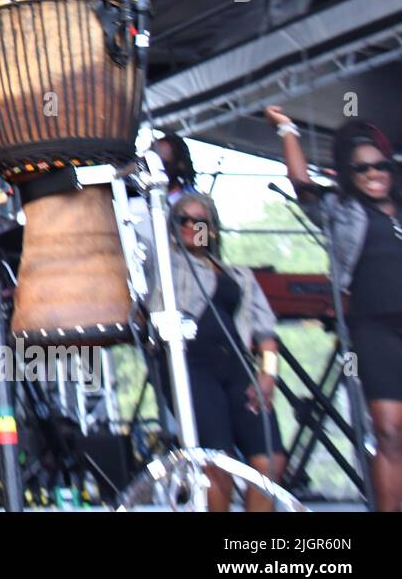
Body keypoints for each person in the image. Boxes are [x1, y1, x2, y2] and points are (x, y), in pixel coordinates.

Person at [266, 105, 402, 511]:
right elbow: (301, 183)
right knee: (389, 432)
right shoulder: (343, 212)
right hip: (373, 330)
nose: (373, 174)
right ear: (348, 173)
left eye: (379, 166)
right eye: (361, 169)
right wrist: (288, 128)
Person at [151, 192, 286, 511]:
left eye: (198, 221)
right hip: (193, 367)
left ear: (211, 229)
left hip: (238, 367)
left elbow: (267, 334)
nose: (189, 226)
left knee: (271, 459)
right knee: (217, 463)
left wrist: (268, 374)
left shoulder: (240, 275)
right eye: (181, 219)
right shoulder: (166, 265)